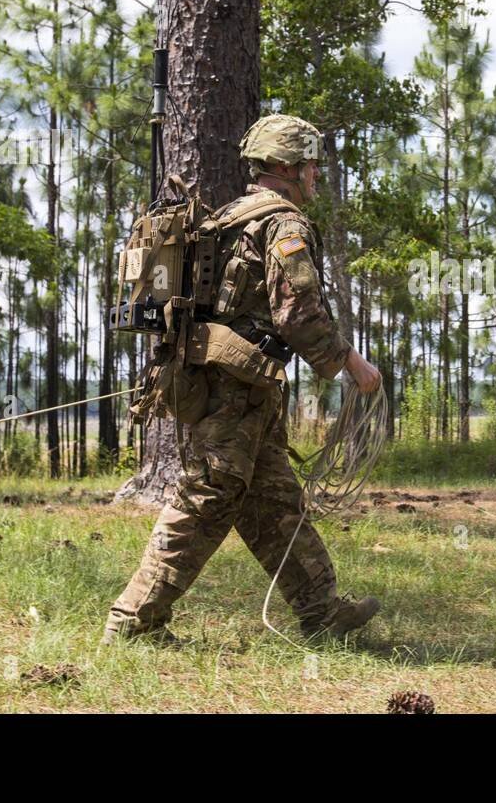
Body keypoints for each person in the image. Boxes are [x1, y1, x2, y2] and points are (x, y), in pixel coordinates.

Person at [103, 113, 383, 645]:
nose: (316, 175)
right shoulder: (284, 224)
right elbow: (298, 315)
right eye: (310, 165)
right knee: (207, 496)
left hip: (223, 380)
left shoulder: (229, 217)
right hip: (236, 387)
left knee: (272, 499)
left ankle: (321, 611)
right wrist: (351, 362)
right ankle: (133, 622)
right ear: (285, 166)